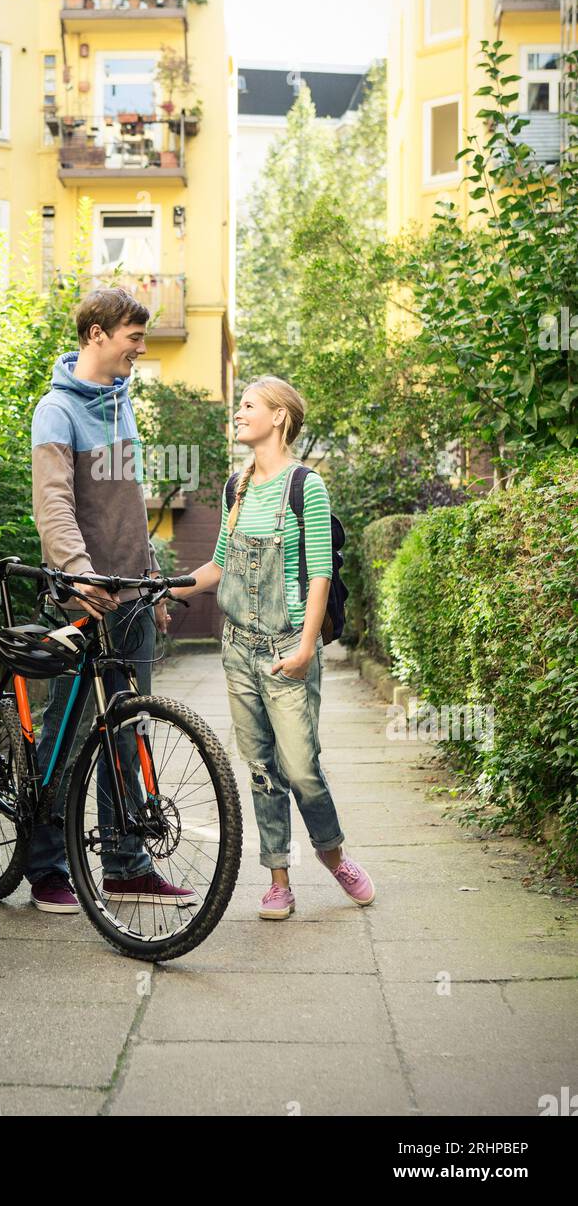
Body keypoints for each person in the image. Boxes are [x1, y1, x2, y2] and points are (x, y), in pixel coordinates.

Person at [170, 376, 375, 918]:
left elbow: (320, 574)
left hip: (288, 648)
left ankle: (334, 857)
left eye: (248, 406)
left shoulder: (305, 485)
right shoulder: (235, 485)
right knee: (260, 768)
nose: (238, 413)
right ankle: (279, 879)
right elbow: (218, 565)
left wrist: (309, 647)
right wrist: (163, 588)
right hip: (238, 648)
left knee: (301, 766)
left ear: (279, 417)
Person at [26, 287, 194, 913]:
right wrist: (77, 574)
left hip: (129, 596)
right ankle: (45, 867)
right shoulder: (55, 412)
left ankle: (126, 864)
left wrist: (150, 578)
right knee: (67, 739)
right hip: (82, 598)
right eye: (132, 337)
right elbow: (54, 507)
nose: (141, 350)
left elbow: (129, 505)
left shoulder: (122, 406)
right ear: (96, 334)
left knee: (126, 732)